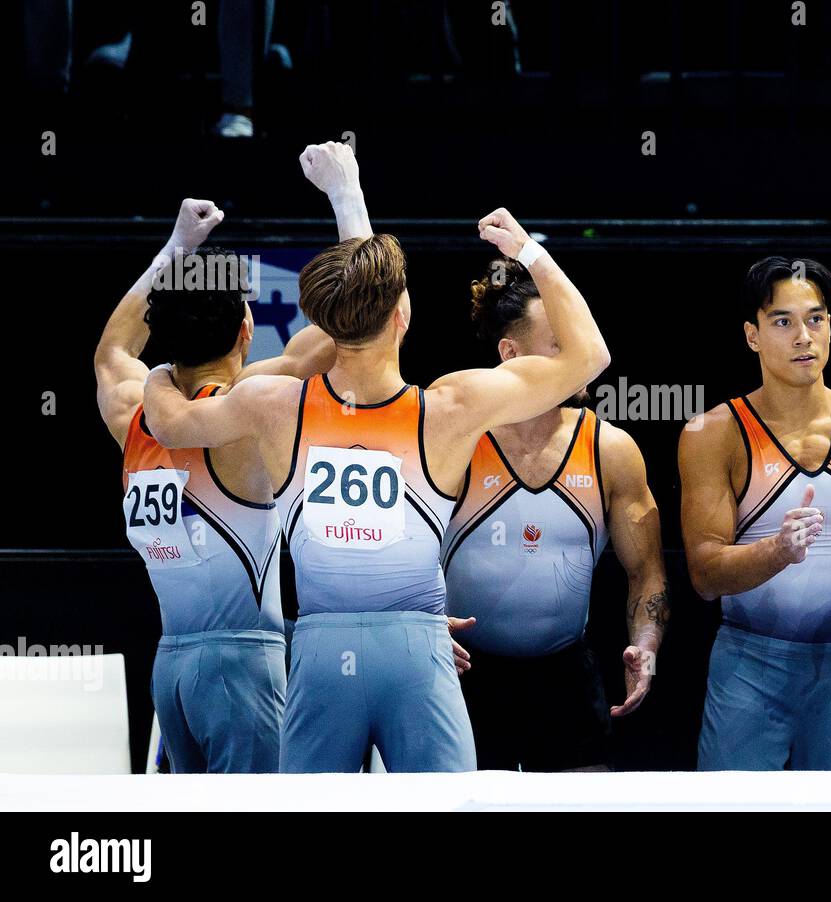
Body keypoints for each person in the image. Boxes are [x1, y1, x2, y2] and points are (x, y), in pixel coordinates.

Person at [143, 141, 610, 772]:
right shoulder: (450, 406)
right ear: (402, 318)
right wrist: (529, 252)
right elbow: (589, 356)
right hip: (416, 648)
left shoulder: (274, 403)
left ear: (325, 325)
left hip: (319, 651)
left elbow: (167, 424)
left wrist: (163, 371)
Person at [94, 197, 334, 772]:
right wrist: (349, 204)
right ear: (248, 328)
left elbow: (113, 352)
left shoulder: (135, 416)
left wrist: (176, 250)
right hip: (243, 669)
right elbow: (345, 338)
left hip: (171, 668)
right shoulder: (245, 416)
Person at [679, 256, 831, 770]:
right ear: (752, 335)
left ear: (830, 326)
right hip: (748, 665)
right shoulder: (712, 433)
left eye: (815, 319)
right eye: (782, 322)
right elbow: (702, 575)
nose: (803, 336)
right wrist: (777, 550)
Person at [440, 258, 669, 771]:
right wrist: (427, 625)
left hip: (567, 680)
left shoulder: (611, 449)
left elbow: (646, 573)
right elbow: (400, 551)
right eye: (560, 345)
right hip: (466, 675)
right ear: (510, 353)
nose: (582, 361)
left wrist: (645, 646)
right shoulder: (456, 439)